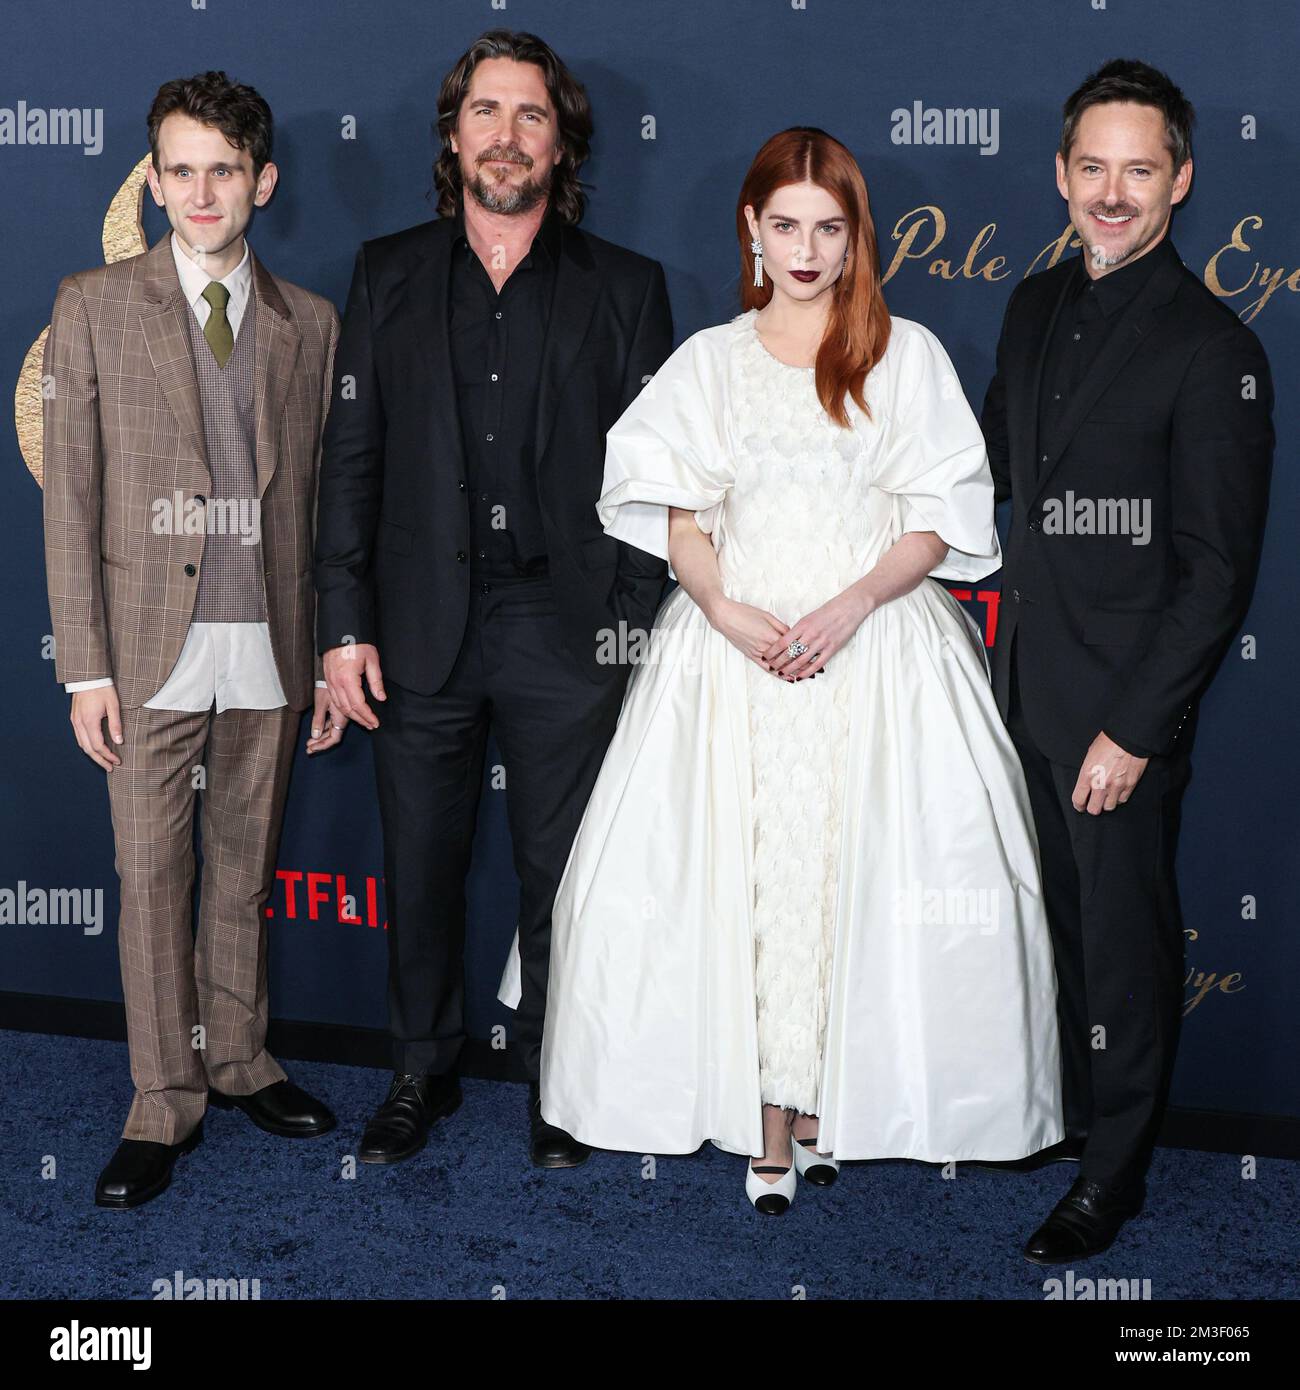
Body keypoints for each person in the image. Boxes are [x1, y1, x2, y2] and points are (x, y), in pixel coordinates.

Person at [539, 128, 1063, 1216]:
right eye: (787, 225)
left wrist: (853, 602)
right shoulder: (710, 361)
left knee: (858, 872)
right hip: (732, 657)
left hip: (876, 652)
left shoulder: (903, 355)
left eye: (829, 228)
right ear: (752, 229)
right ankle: (766, 1119)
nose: (807, 249)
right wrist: (721, 605)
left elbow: (942, 518)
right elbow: (677, 513)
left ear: (855, 235)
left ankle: (836, 1103)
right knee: (751, 875)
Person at [313, 30, 673, 1168]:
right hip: (417, 622)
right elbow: (350, 460)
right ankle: (421, 1072)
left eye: (529, 114)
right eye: (485, 112)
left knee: (561, 872)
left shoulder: (626, 287)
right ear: (453, 134)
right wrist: (342, 624)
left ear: (558, 140)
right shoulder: (386, 273)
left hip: (564, 628)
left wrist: (620, 625)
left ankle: (558, 1087)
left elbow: (657, 482)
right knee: (418, 861)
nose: (505, 135)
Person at [980, 59, 1274, 1262]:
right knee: (1052, 927)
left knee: (1124, 942)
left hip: (1120, 717)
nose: (1111, 192)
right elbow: (993, 481)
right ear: (1059, 174)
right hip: (1021, 687)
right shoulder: (1031, 305)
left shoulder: (1216, 348)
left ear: (1180, 180)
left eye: (1137, 170)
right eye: (1091, 167)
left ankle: (1115, 1175)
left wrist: (1136, 729)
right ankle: (1074, 1120)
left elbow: (1214, 569)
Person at [42, 71, 339, 1209]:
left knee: (243, 874)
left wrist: (317, 657)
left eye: (225, 169)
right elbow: (69, 495)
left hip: (267, 643)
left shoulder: (309, 323)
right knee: (151, 874)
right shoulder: (95, 303)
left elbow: (315, 503)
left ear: (260, 181)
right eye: (181, 170)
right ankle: (162, 1100)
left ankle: (242, 1057)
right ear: (153, 182)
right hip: (148, 647)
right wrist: (87, 666)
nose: (202, 191)